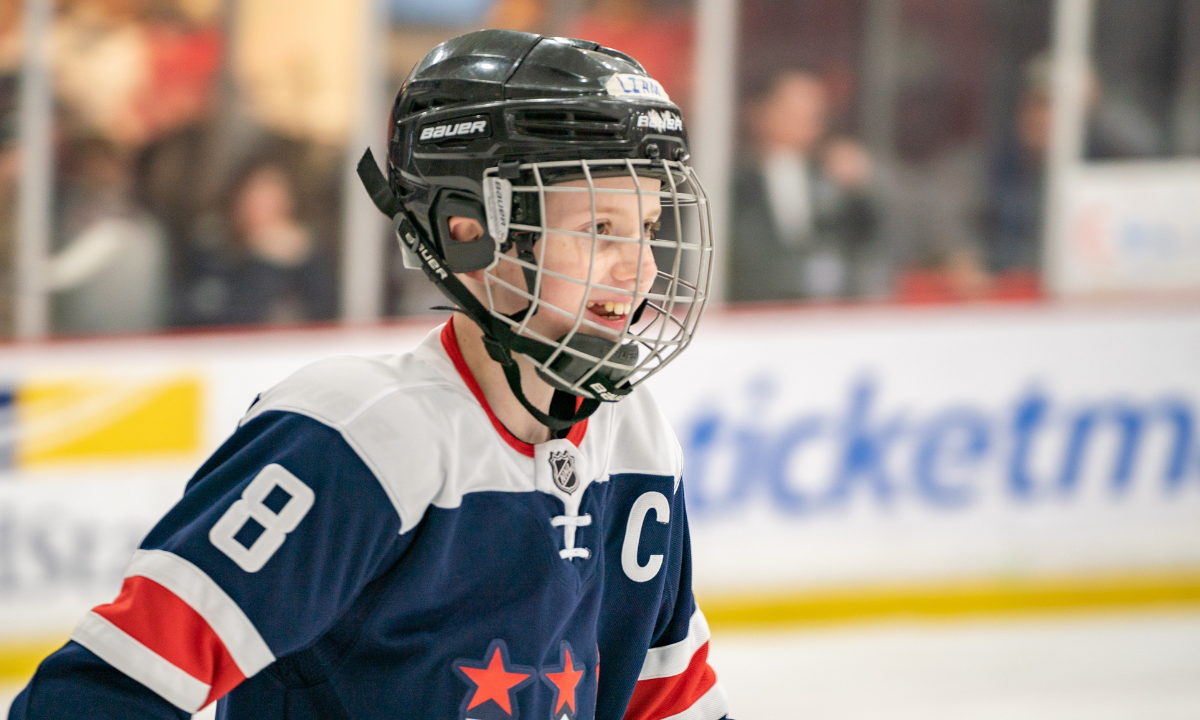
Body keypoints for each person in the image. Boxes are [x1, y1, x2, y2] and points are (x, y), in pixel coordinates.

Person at [10, 29, 728, 720]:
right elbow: (106, 690)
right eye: (600, 229)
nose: (640, 270)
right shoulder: (356, 438)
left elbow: (668, 700)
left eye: (648, 227)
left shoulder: (635, 441)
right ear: (467, 231)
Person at [728, 69, 877, 302]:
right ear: (760, 112)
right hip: (754, 305)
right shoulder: (734, 181)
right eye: (791, 112)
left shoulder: (831, 179)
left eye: (812, 115)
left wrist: (858, 188)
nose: (802, 123)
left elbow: (864, 239)